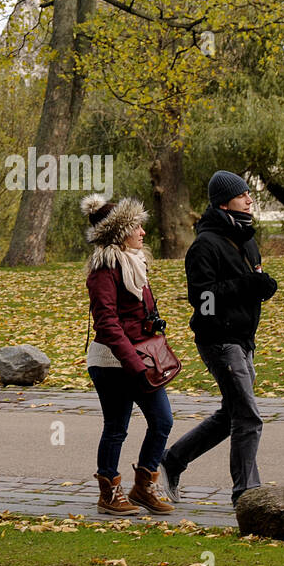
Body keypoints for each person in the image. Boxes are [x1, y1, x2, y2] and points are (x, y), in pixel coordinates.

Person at [159, 171, 278, 507]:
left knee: (231, 415)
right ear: (225, 202)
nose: (250, 200)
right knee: (248, 416)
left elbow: (246, 286)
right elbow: (204, 300)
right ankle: (246, 493)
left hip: (242, 339)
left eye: (248, 195)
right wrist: (245, 286)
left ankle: (173, 460)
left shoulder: (247, 240)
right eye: (243, 196)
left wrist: (262, 288)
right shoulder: (204, 246)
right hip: (219, 341)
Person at [82, 193, 175, 515]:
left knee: (162, 421)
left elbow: (137, 316)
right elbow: (107, 323)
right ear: (119, 232)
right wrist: (135, 364)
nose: (142, 231)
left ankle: (143, 487)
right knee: (117, 427)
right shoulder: (103, 270)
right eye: (136, 225)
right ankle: (109, 492)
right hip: (112, 363)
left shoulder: (135, 263)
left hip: (140, 360)